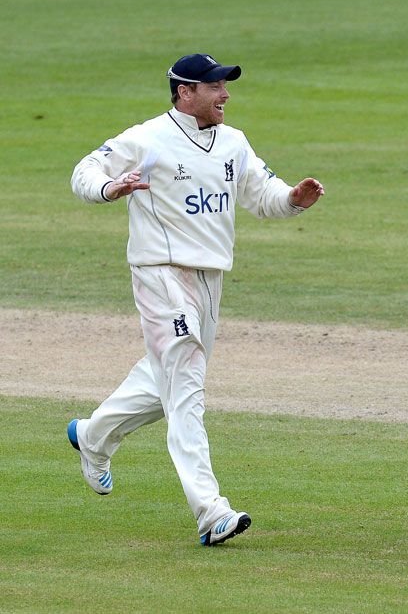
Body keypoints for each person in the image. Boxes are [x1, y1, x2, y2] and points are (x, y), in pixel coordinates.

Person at [68, 53, 325, 546]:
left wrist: (292, 198)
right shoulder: (148, 138)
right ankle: (211, 511)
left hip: (210, 279)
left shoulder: (233, 142)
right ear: (185, 92)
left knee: (165, 380)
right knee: (186, 386)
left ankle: (93, 435)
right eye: (214, 86)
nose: (225, 94)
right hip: (160, 274)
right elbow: (85, 169)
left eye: (225, 85)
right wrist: (109, 187)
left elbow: (261, 193)